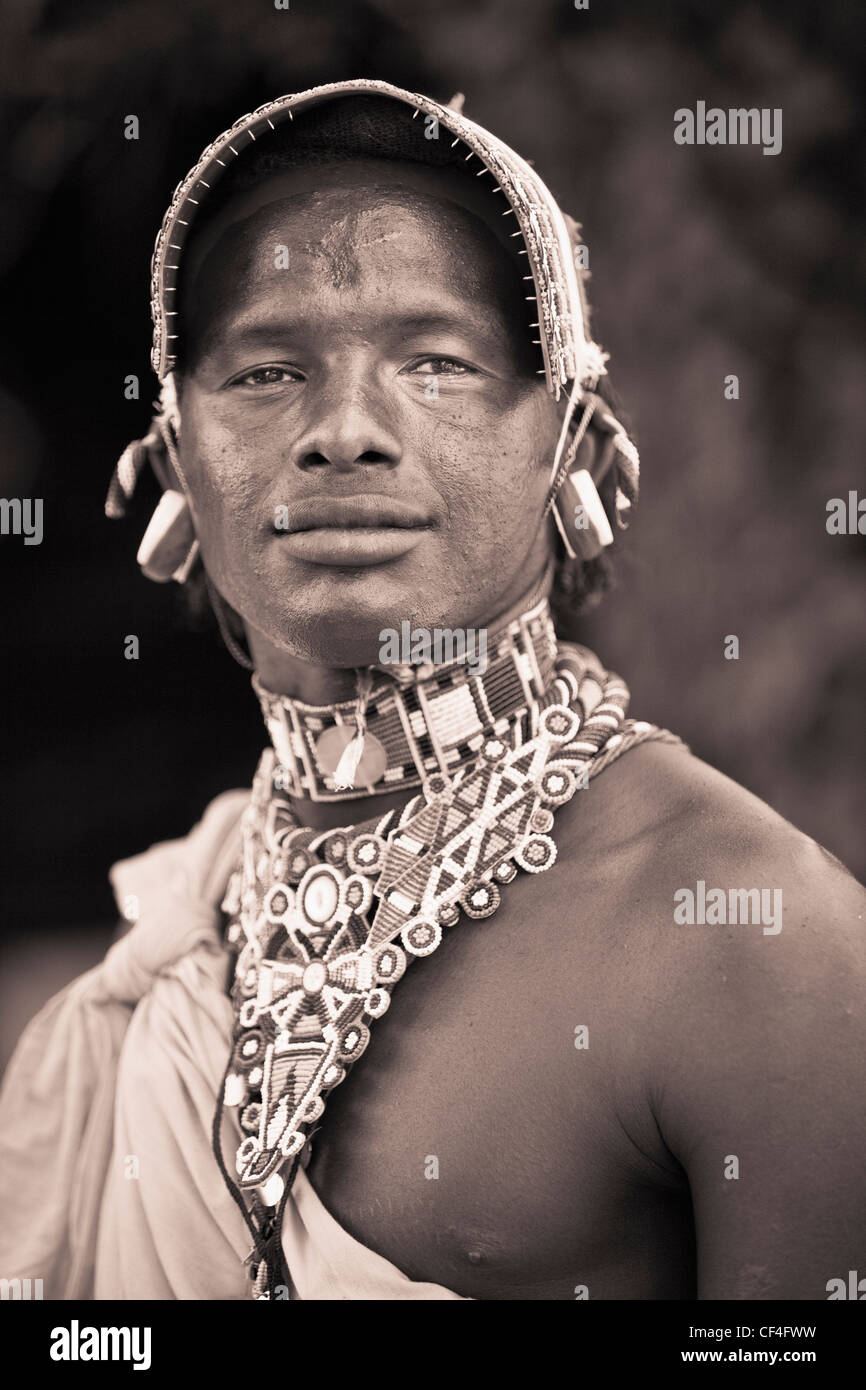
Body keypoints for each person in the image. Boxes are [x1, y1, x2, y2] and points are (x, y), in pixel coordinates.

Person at [1, 80, 863, 1302]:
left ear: (566, 440)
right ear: (174, 457)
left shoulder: (755, 937)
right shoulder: (189, 927)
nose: (343, 429)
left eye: (436, 361)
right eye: (263, 372)